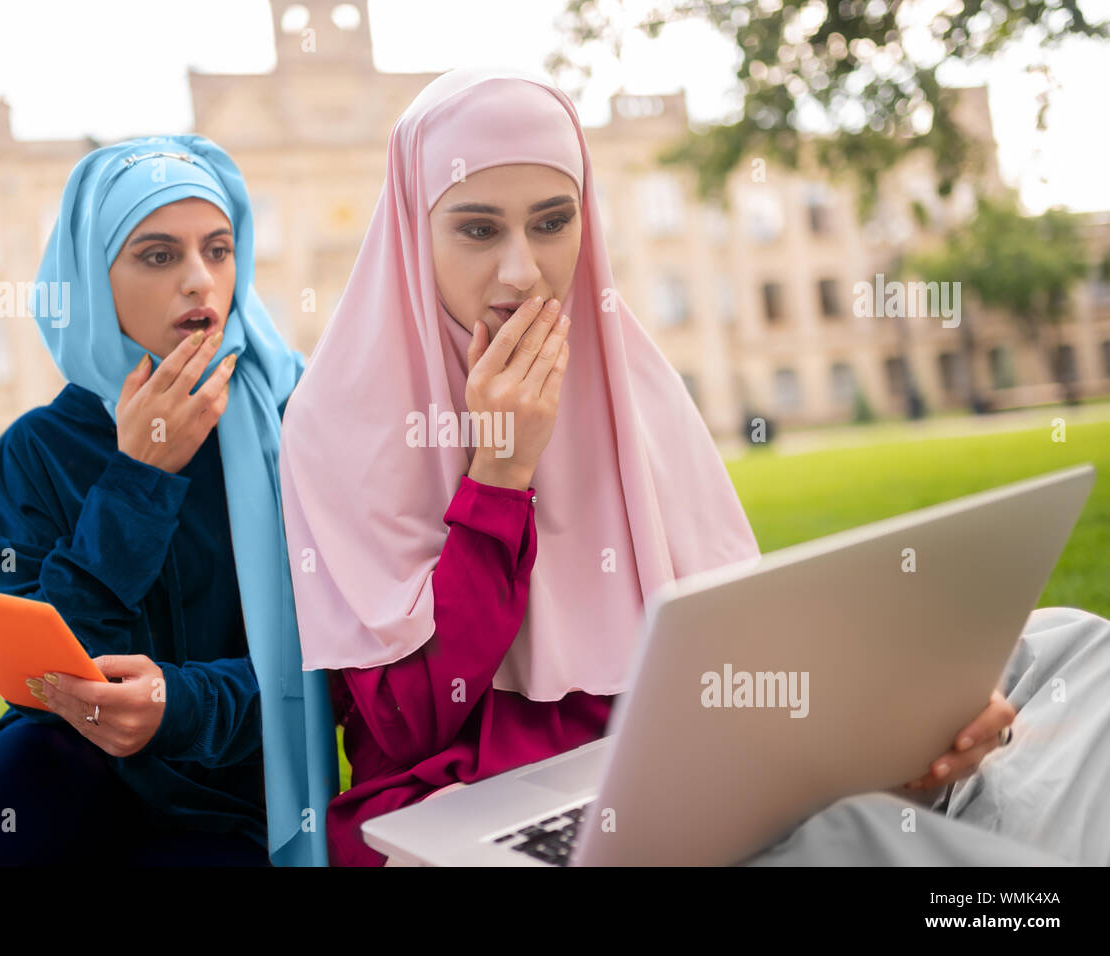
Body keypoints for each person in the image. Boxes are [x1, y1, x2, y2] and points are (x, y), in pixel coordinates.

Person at [278, 66, 1110, 867]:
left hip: (678, 757)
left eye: (552, 221)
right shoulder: (340, 420)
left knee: (1072, 648)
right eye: (478, 227)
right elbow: (410, 726)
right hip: (473, 801)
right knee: (863, 835)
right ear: (411, 231)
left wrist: (866, 722)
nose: (521, 273)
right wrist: (499, 476)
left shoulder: (627, 382)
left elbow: (731, 639)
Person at [0, 134, 337, 867]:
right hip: (64, 767)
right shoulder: (40, 445)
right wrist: (139, 477)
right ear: (94, 277)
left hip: (233, 799)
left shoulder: (297, 423)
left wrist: (175, 707)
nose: (200, 282)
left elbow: (341, 662)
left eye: (218, 250)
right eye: (158, 255)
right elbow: (34, 669)